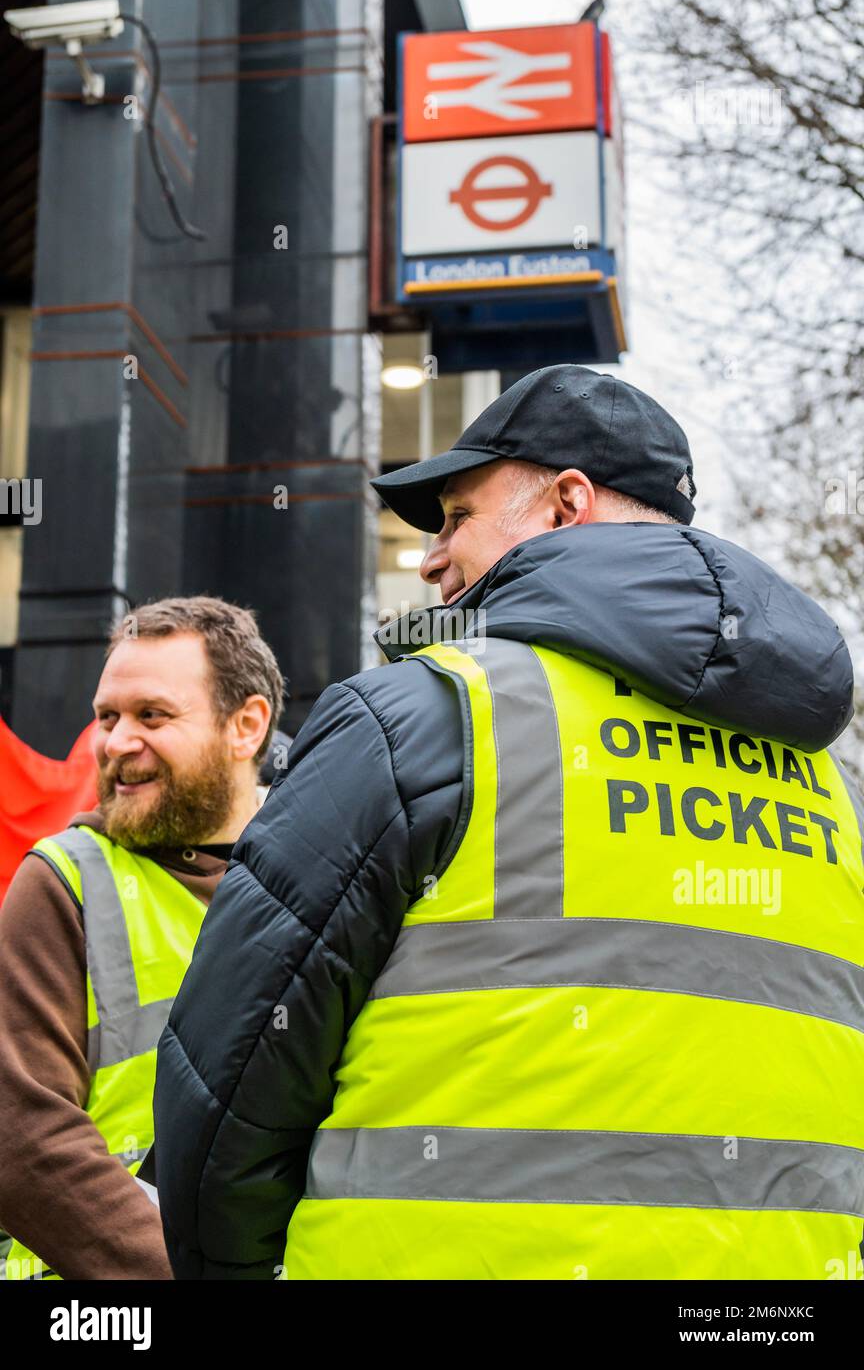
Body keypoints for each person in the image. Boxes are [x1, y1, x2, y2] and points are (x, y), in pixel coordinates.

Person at [151, 365, 864, 1281]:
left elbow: (234, 1072)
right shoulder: (830, 791)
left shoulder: (419, 720)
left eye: (456, 517)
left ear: (566, 505)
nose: (429, 557)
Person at [0, 596, 283, 1280]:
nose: (116, 742)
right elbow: (22, 1135)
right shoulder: (62, 880)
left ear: (246, 726)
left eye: (151, 715)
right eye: (107, 717)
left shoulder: (324, 872)